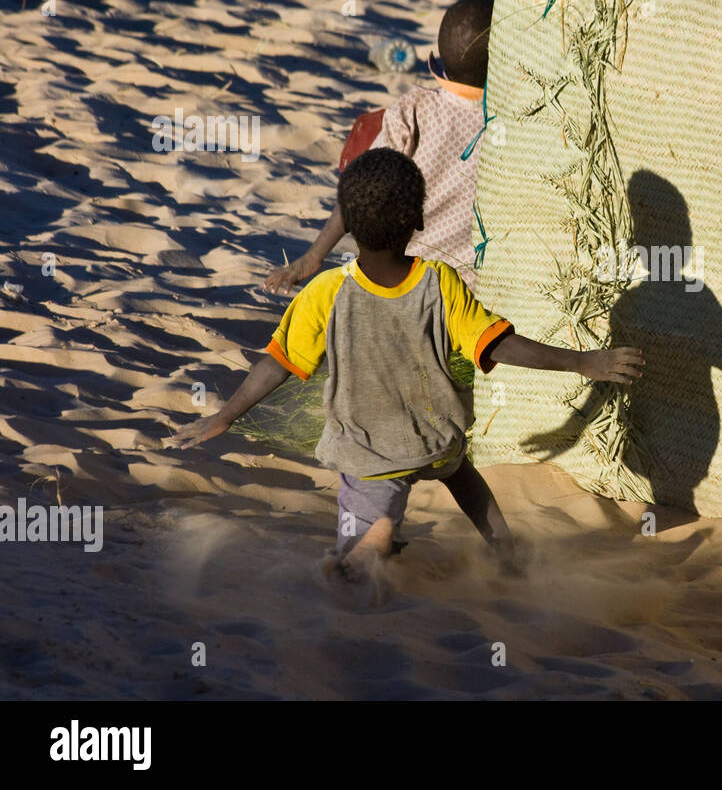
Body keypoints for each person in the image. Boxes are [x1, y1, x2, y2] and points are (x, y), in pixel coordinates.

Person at [167, 147, 643, 577]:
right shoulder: (439, 282)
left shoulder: (326, 293)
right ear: (417, 219)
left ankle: (373, 542)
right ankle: (507, 555)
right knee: (462, 475)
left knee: (353, 559)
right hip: (436, 439)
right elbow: (500, 345)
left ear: (347, 223)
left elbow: (278, 363)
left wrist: (226, 415)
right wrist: (584, 361)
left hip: (369, 454)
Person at [264, 0, 496, 294]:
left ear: (440, 60)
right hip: (479, 289)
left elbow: (362, 191)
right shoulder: (515, 121)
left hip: (407, 279)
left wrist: (312, 257)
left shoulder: (416, 109)